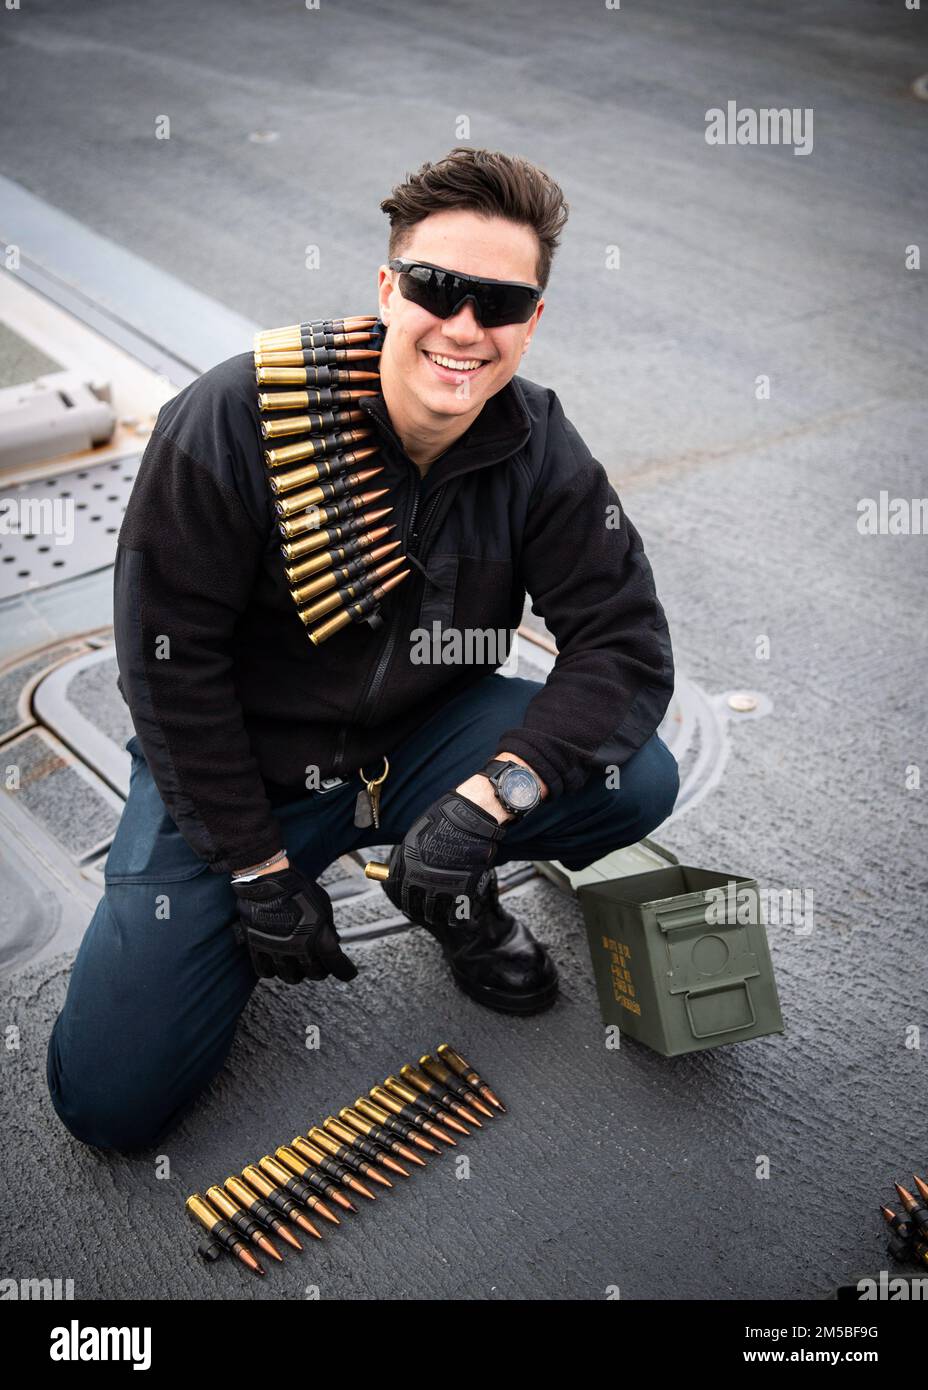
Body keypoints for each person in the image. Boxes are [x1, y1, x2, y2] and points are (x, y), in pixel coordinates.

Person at [46, 147, 679, 1152]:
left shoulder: (538, 445)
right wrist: (253, 866)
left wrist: (487, 803)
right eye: (437, 288)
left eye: (501, 303)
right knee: (110, 1102)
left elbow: (625, 646)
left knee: (632, 779)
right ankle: (246, 911)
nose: (466, 327)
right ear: (387, 288)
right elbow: (170, 669)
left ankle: (448, 882)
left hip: (426, 749)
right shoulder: (234, 418)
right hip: (241, 774)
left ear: (533, 320)